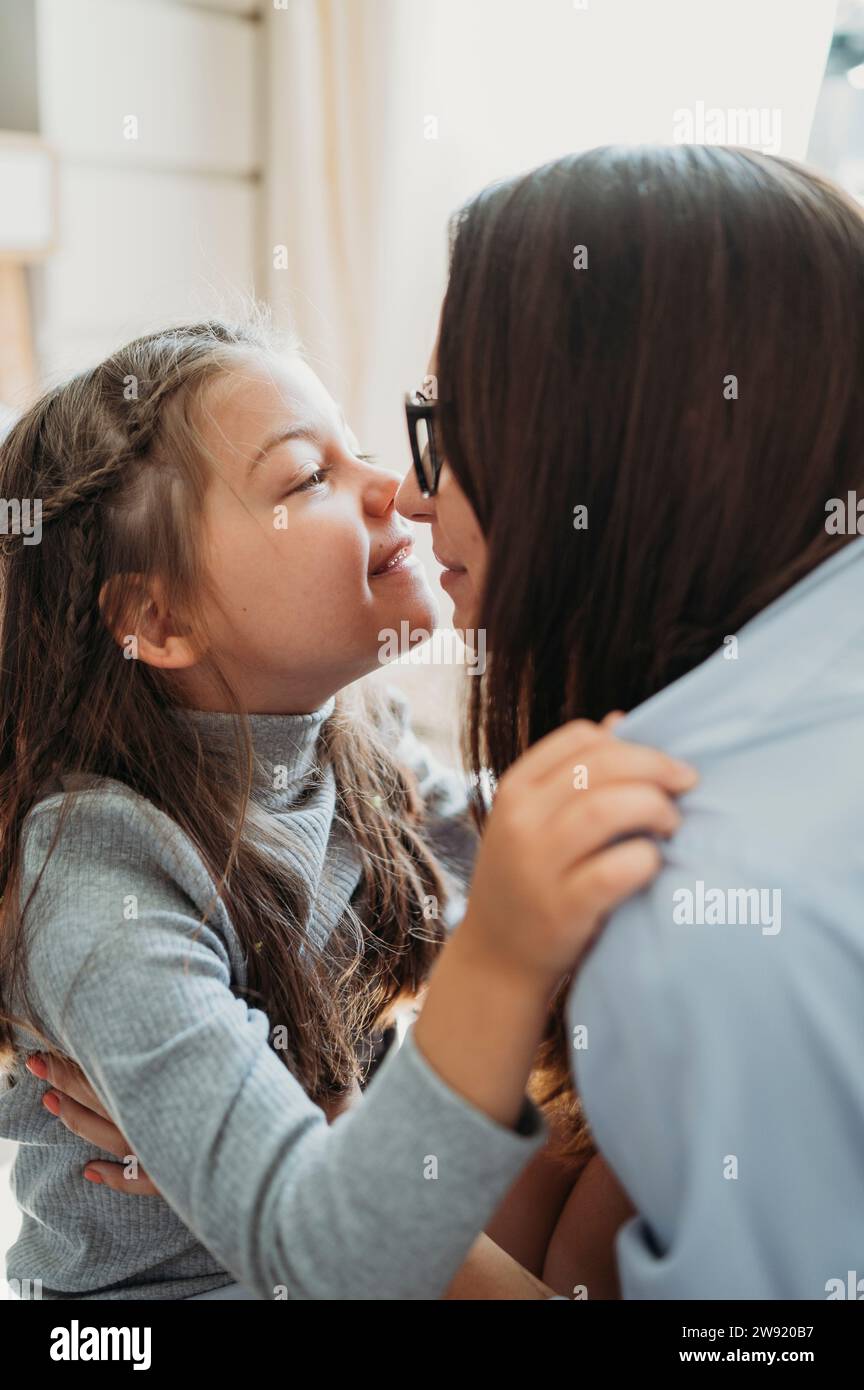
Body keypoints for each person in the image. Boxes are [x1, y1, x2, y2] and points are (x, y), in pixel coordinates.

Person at [0, 313, 688, 1299]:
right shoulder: (99, 875)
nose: (397, 491)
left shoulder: (351, 742)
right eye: (306, 479)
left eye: (359, 454)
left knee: (615, 1152)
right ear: (155, 617)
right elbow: (322, 1262)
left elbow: (516, 847)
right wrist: (499, 951)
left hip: (327, 1216)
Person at [394, 142, 864, 1298]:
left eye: (445, 433)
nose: (408, 496)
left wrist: (300, 1185)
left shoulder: (704, 908)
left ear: (594, 456)